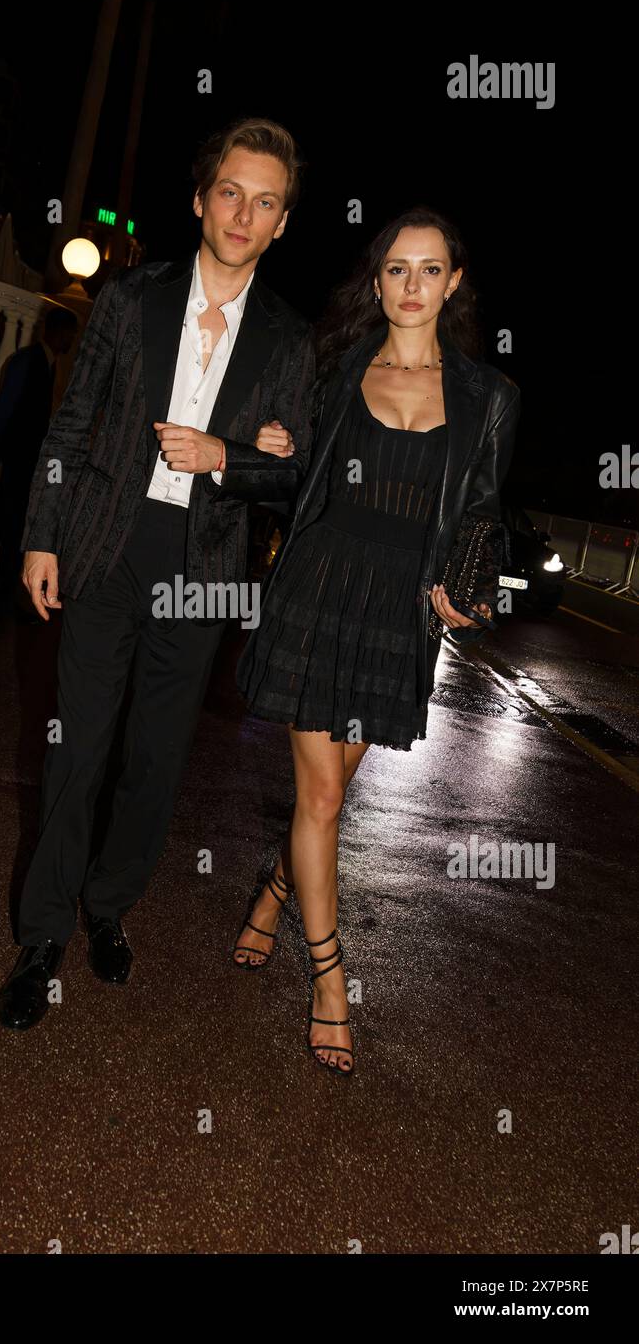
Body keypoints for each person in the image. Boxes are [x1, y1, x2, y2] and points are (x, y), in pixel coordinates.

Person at [0, 117, 317, 1032]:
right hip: (105, 546)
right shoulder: (133, 299)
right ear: (200, 200)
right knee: (76, 746)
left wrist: (228, 456)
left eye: (265, 202)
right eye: (231, 193)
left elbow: (293, 476)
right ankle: (42, 933)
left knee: (154, 760)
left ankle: (109, 907)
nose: (243, 214)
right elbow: (70, 425)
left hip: (205, 570)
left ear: (282, 222)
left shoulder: (291, 344)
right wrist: (41, 536)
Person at [232, 206, 521, 1077]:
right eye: (396, 268)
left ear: (454, 282)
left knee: (332, 794)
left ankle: (277, 890)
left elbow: (480, 512)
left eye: (429, 270)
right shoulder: (331, 366)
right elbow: (287, 473)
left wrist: (470, 589)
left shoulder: (490, 398)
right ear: (378, 277)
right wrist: (267, 446)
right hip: (319, 590)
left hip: (400, 610)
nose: (411, 285)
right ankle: (329, 980)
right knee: (319, 798)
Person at [0, 306, 78, 618]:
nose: (71, 340)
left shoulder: (47, 364)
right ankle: (2, 591)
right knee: (11, 522)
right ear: (57, 332)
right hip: (20, 457)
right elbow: (5, 408)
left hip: (27, 458)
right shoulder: (29, 361)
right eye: (69, 334)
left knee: (2, 518)